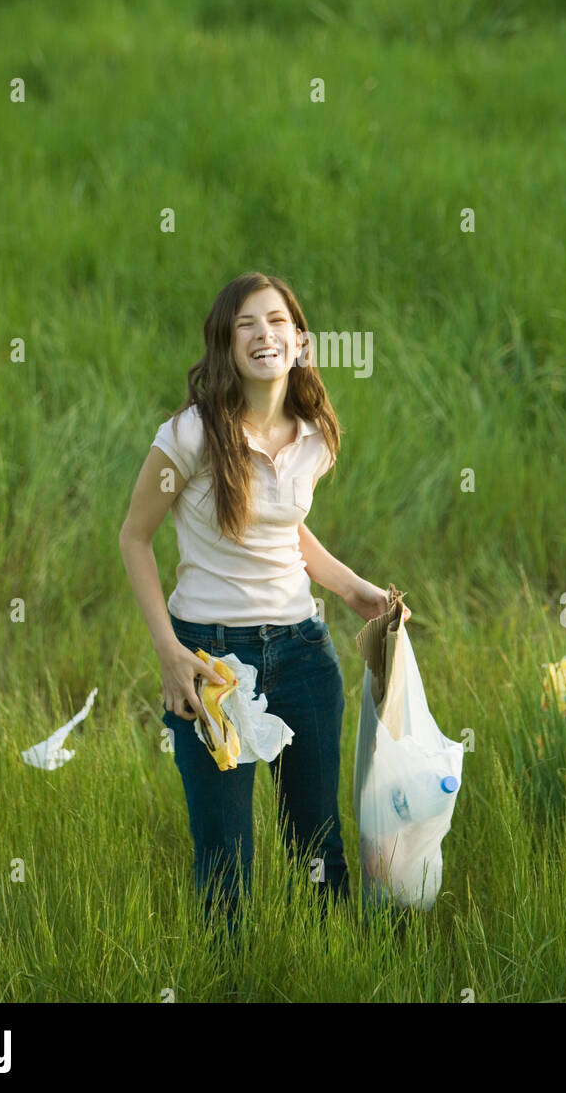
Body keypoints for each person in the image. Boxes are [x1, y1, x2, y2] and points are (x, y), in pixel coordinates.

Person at [119, 272, 408, 938]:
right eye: (245, 323)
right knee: (224, 857)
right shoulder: (188, 437)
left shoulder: (314, 434)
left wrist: (348, 586)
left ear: (300, 341)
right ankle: (229, 982)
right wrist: (169, 652)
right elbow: (134, 537)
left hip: (303, 654)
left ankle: (337, 971)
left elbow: (280, 528)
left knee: (319, 843)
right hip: (210, 662)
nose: (263, 334)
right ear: (224, 343)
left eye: (276, 321)